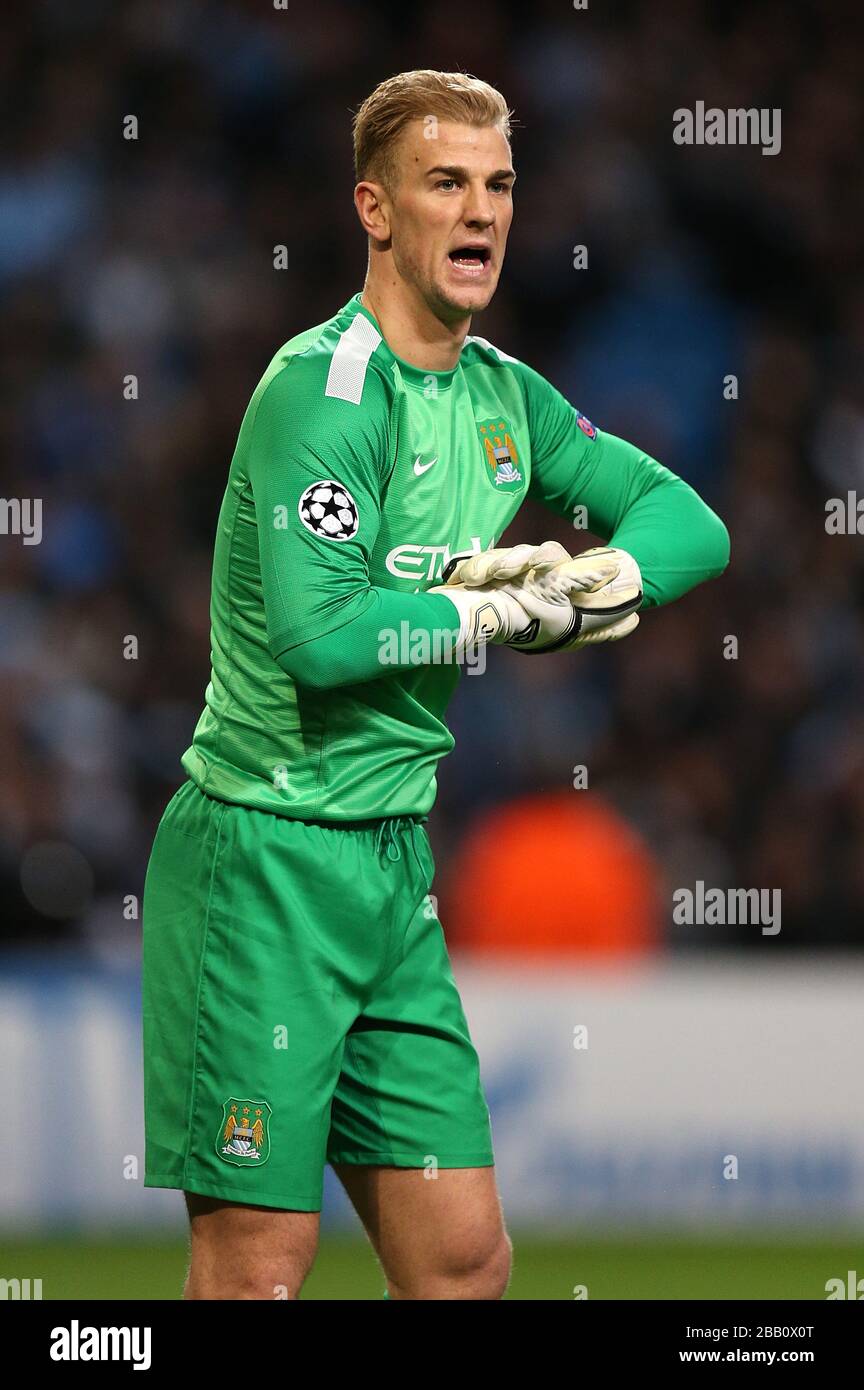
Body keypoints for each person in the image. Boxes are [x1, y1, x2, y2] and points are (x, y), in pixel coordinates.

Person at [142, 69, 729, 1301]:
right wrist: (481, 610)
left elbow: (692, 526)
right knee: (256, 1266)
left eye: (501, 183)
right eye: (445, 182)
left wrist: (601, 582)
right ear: (374, 208)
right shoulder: (322, 392)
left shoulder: (508, 399)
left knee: (462, 1264)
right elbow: (318, 635)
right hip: (266, 854)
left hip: (392, 866)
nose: (481, 211)